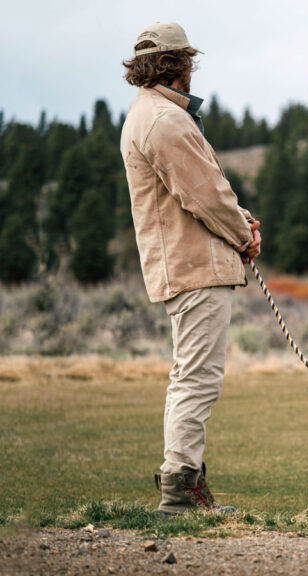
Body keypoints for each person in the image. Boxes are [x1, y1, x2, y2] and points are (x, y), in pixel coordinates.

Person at [120, 22, 260, 516]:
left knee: (191, 375)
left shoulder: (149, 116)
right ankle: (181, 490)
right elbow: (202, 195)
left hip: (187, 263)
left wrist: (237, 221)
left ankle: (185, 484)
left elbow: (197, 194)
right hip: (195, 266)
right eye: (187, 62)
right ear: (180, 63)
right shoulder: (164, 120)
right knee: (197, 378)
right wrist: (244, 234)